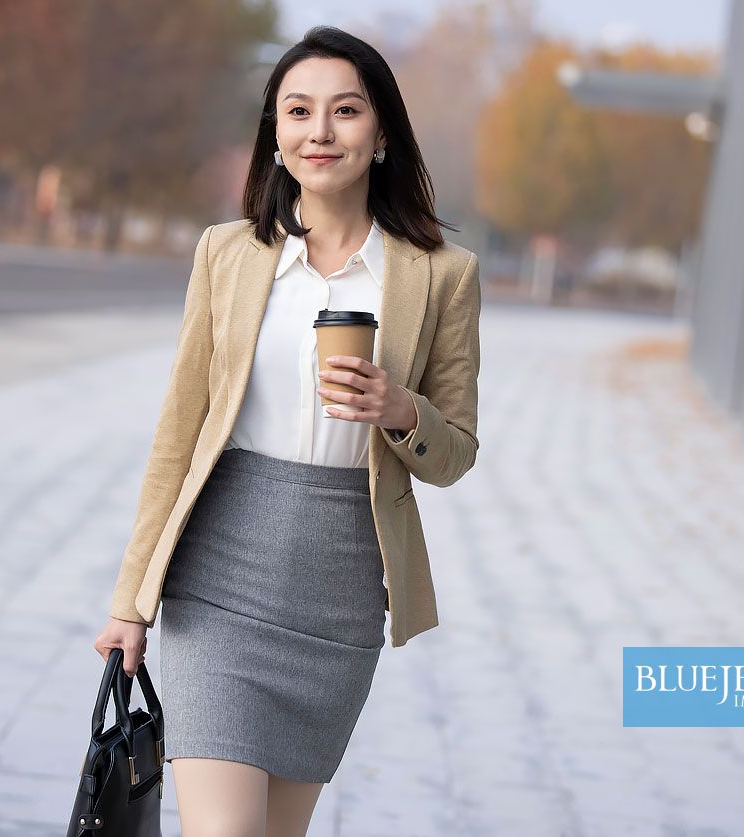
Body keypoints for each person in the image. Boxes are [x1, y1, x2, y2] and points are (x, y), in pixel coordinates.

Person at [93, 24, 481, 837]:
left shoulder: (443, 274)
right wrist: (132, 597)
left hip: (339, 596)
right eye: (298, 111)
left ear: (380, 135)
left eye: (345, 111)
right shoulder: (226, 255)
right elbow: (178, 434)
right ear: (274, 133)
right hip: (218, 577)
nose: (320, 131)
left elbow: (455, 454)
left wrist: (400, 409)